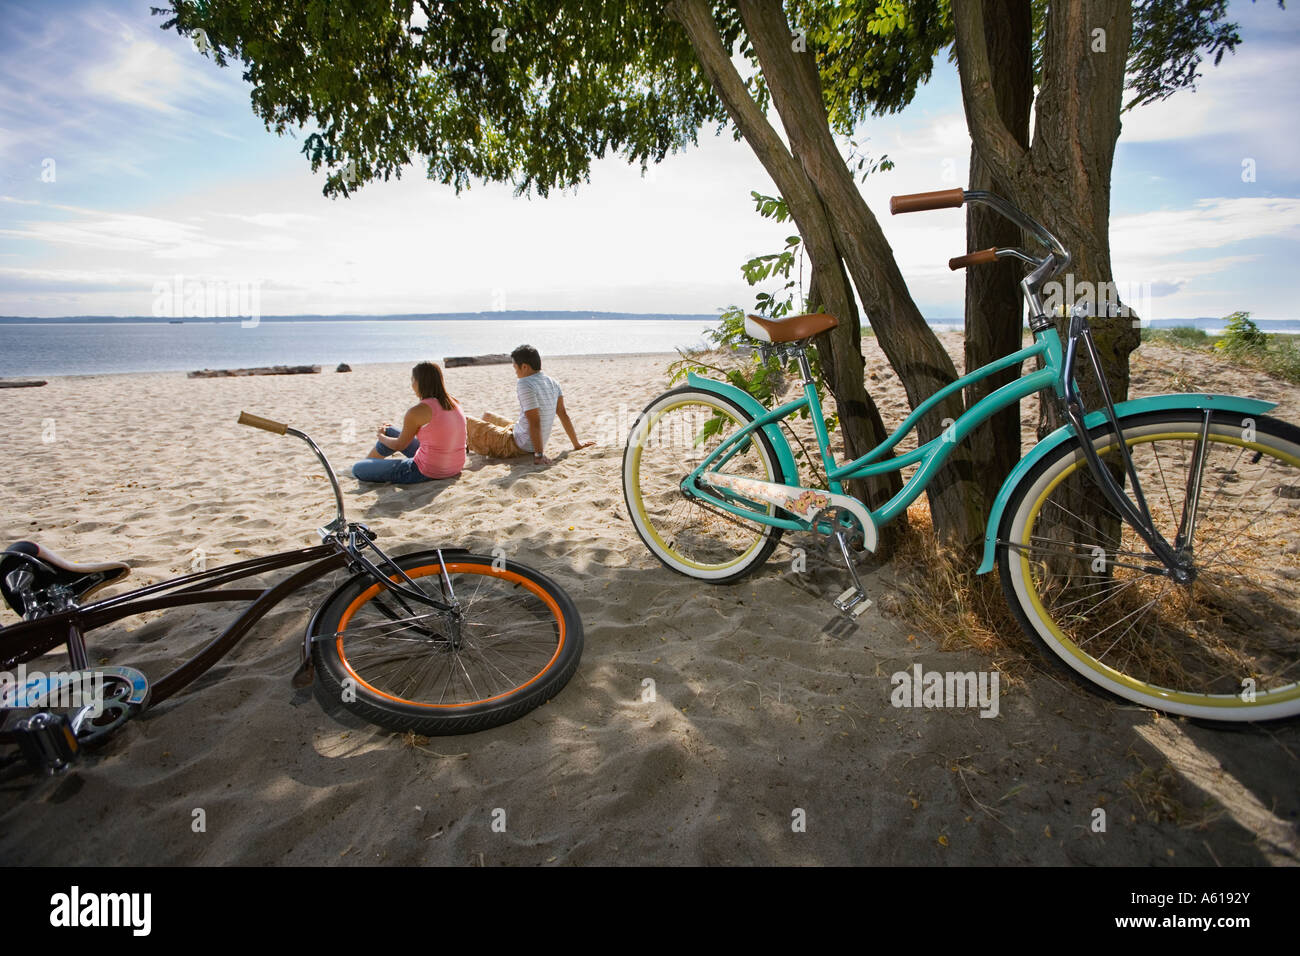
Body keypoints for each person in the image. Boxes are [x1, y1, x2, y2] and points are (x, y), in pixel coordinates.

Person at [464, 344, 594, 466]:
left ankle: (464, 449)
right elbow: (563, 414)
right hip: (521, 434)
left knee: (466, 420)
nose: (515, 372)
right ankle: (473, 447)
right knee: (487, 415)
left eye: (515, 367)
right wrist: (576, 444)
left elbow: (535, 421)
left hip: (518, 445)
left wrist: (538, 455)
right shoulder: (553, 383)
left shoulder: (524, 384)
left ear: (525, 367)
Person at [352, 361, 467, 483]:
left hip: (428, 470)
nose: (412, 385)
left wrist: (380, 437)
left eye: (412, 380)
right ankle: (371, 464)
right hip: (455, 466)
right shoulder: (454, 402)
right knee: (390, 431)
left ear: (419, 383)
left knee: (357, 468)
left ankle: (368, 465)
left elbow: (399, 445)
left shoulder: (417, 411)